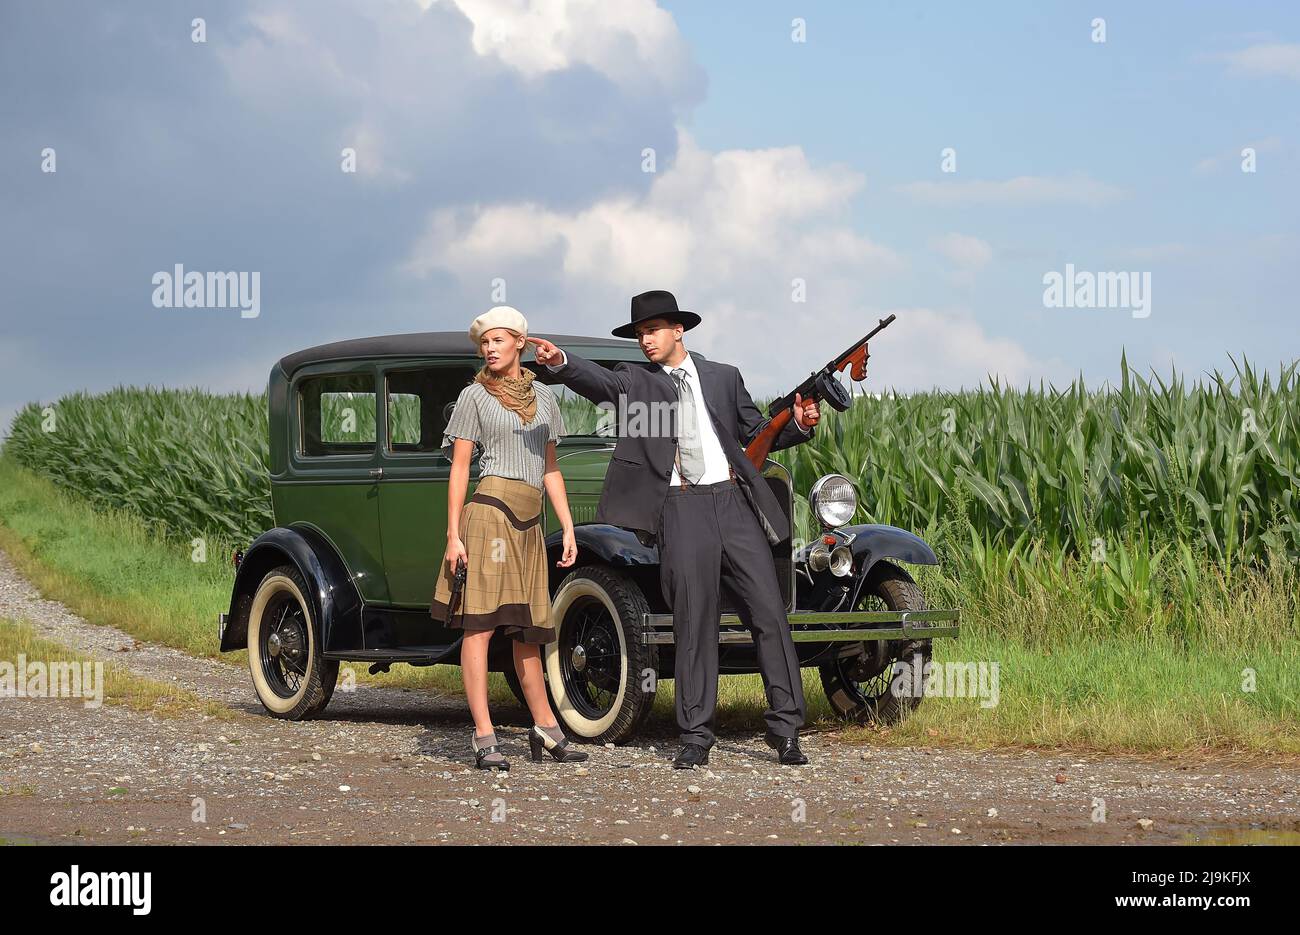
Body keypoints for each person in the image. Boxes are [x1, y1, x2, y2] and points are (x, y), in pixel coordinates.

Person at [528, 289, 820, 768]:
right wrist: (561, 361)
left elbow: (755, 431)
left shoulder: (724, 377)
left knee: (769, 614)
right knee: (694, 621)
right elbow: (599, 383)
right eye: (640, 333)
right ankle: (696, 736)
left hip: (733, 504)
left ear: (678, 330)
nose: (645, 340)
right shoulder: (635, 382)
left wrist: (800, 424)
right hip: (680, 508)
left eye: (653, 330)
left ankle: (786, 730)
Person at [430, 305, 587, 771]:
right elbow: (459, 468)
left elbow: (551, 468)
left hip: (529, 521)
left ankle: (546, 727)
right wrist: (453, 534)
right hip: (489, 513)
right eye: (484, 343)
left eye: (498, 340)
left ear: (521, 341)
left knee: (528, 631)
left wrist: (569, 525)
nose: (489, 349)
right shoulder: (473, 397)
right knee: (479, 626)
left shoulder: (546, 398)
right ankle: (483, 735)